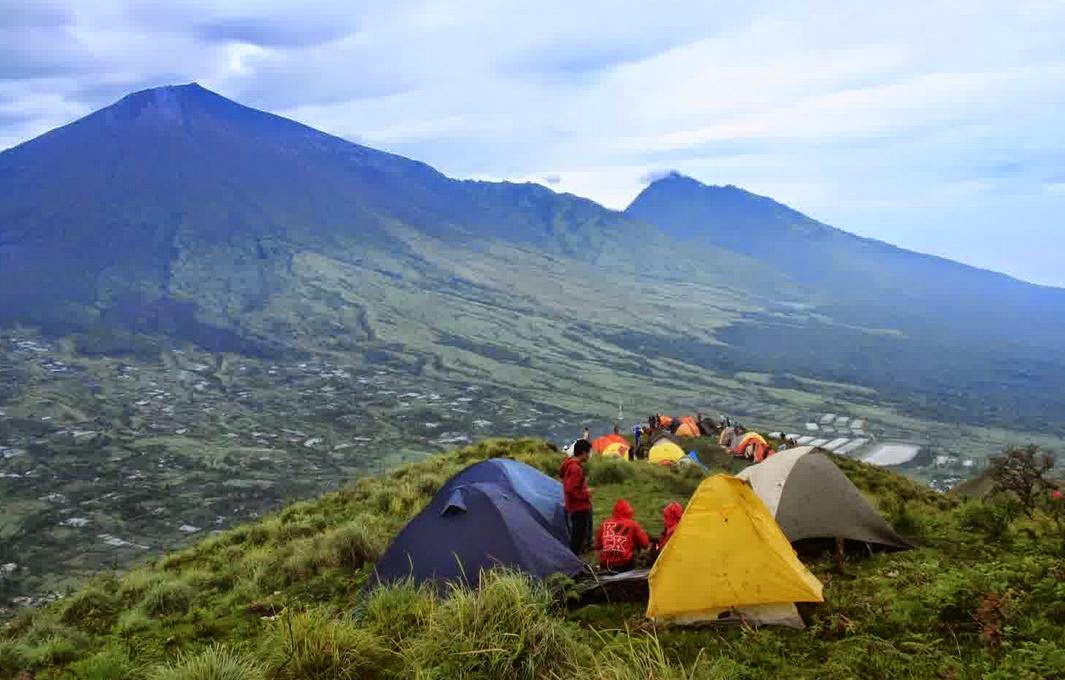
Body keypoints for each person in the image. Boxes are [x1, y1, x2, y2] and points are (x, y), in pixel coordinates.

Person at [593, 499, 649, 571]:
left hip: (605, 564)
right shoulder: (633, 524)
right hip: (625, 564)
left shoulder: (604, 524)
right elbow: (645, 544)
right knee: (636, 543)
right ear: (629, 512)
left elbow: (597, 546)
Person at [560, 439, 594, 555]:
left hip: (574, 507)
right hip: (579, 508)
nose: (589, 455)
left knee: (576, 537)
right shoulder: (575, 468)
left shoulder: (570, 465)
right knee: (577, 539)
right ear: (583, 453)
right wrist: (586, 493)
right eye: (589, 452)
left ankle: (574, 562)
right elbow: (571, 489)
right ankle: (573, 565)